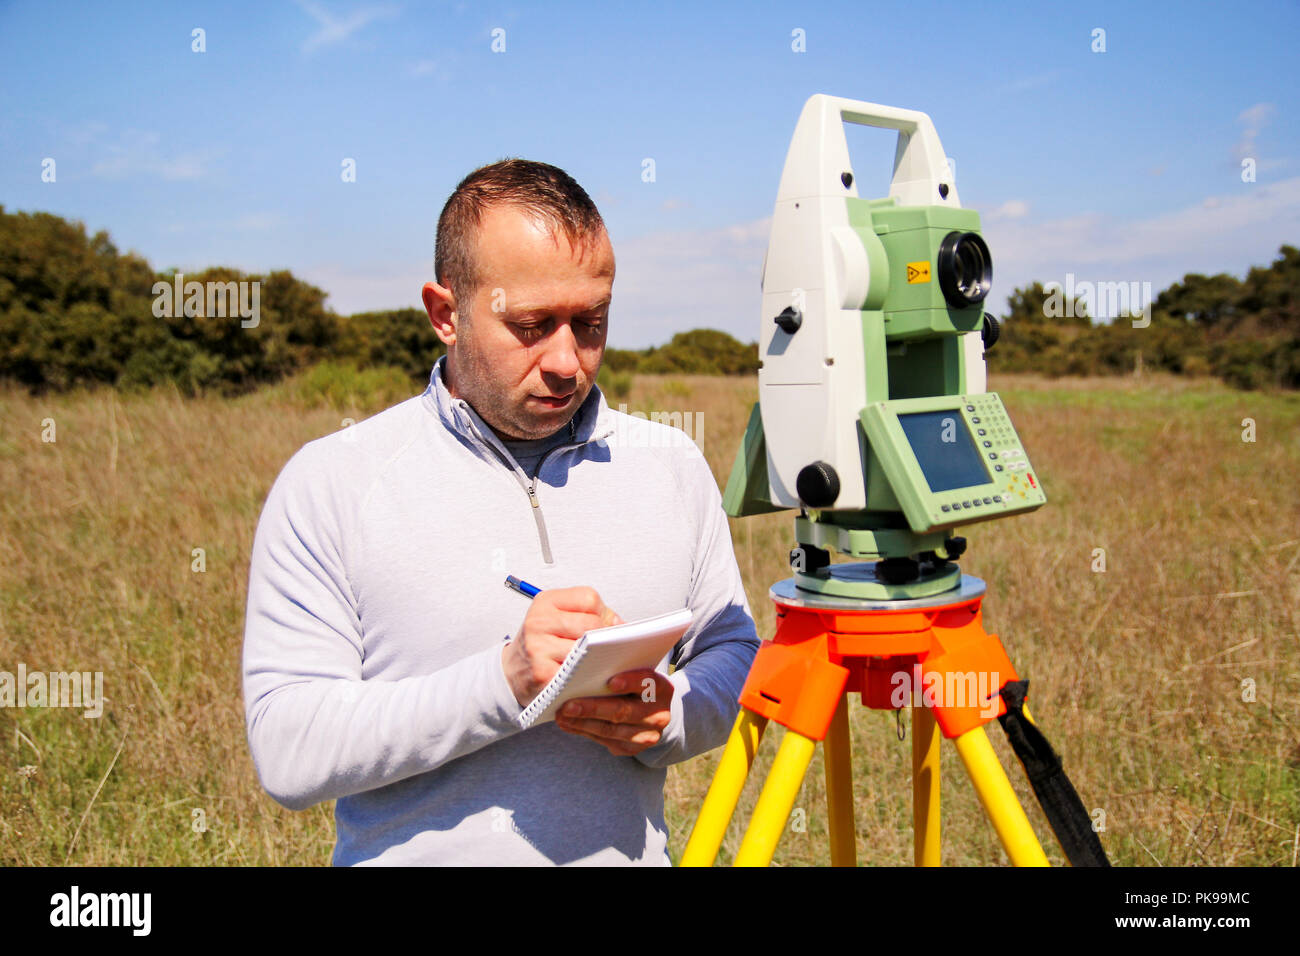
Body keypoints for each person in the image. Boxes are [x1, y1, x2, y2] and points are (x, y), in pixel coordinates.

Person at [241, 158, 760, 865]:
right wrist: (506, 679)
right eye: (532, 324)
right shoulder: (331, 483)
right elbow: (289, 749)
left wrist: (671, 714)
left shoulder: (672, 465)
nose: (567, 361)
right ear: (445, 314)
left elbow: (733, 655)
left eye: (590, 323)